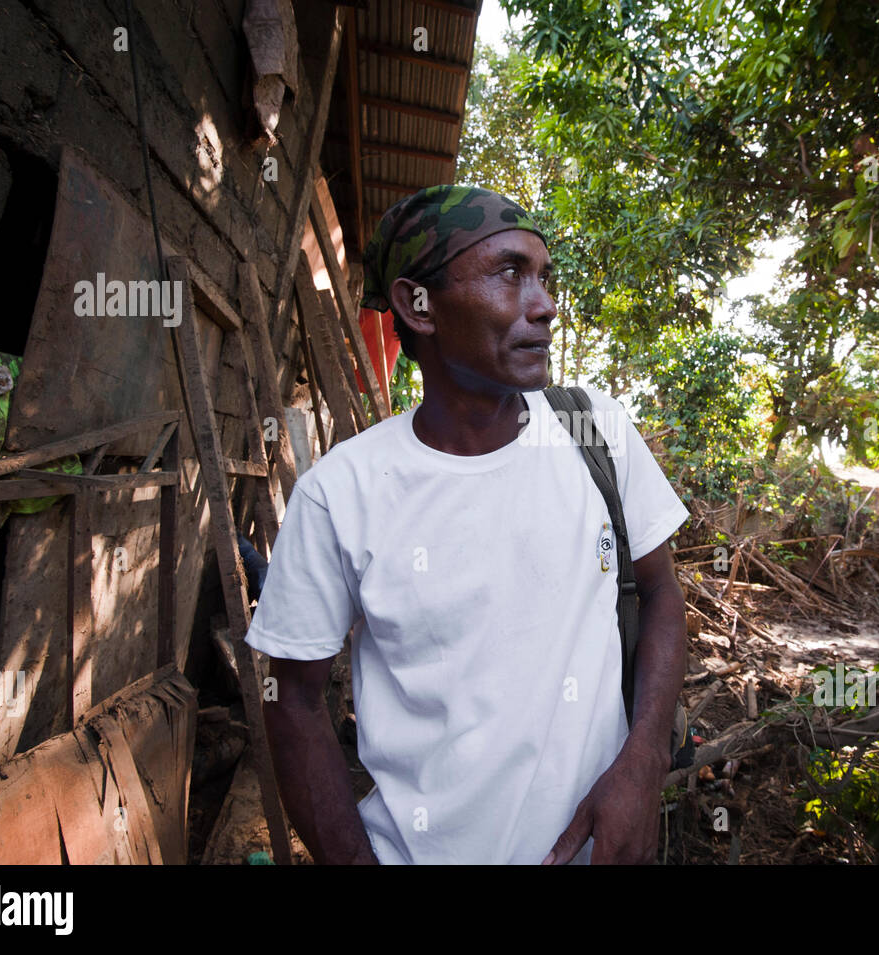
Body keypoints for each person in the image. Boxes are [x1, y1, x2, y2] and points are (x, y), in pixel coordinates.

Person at [244, 185, 690, 865]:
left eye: (543, 277)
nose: (543, 304)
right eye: (510, 274)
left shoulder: (592, 430)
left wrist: (643, 760)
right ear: (416, 304)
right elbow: (292, 701)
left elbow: (661, 593)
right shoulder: (342, 493)